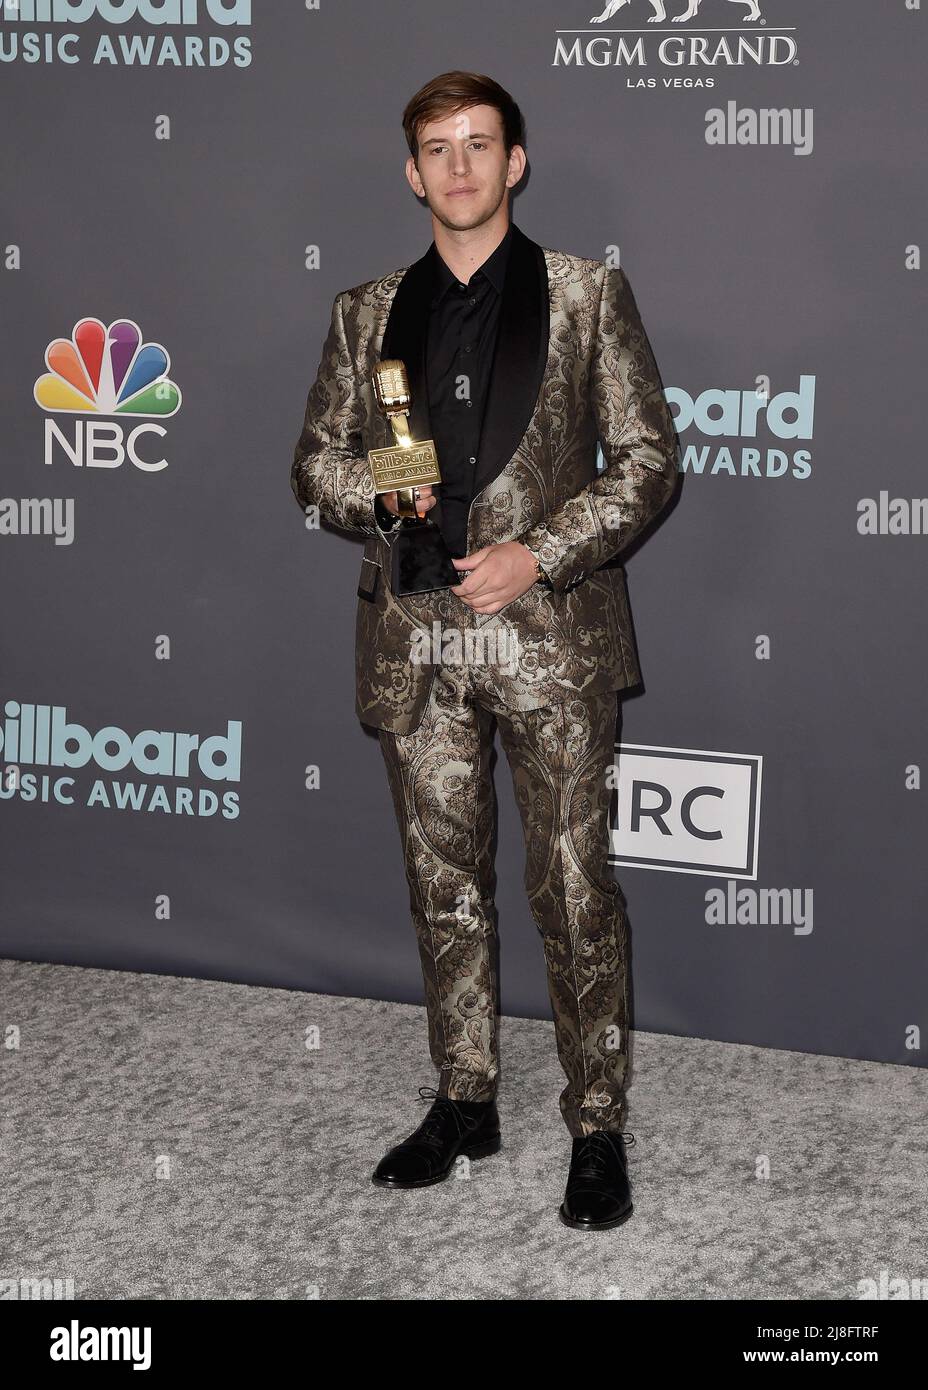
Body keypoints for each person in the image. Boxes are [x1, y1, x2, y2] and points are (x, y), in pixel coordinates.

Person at [290, 70, 679, 1231]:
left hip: (548, 644)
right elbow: (314, 467)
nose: (458, 167)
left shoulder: (586, 292)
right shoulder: (364, 312)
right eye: (436, 150)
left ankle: (595, 1122)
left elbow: (649, 460)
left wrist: (540, 556)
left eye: (479, 145)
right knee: (443, 893)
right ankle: (466, 1099)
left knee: (572, 893)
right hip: (416, 644)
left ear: (516, 161)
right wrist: (389, 494)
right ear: (412, 174)